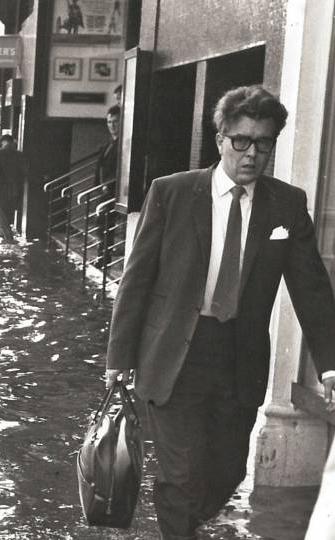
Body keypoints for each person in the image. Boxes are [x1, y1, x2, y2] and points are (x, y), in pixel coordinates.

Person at [105, 85, 335, 540]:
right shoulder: (171, 193)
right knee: (180, 475)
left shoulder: (286, 204)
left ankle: (181, 522)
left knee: (227, 471)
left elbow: (311, 289)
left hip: (238, 360)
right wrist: (118, 358)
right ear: (220, 139)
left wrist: (330, 366)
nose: (252, 154)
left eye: (264, 143)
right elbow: (137, 281)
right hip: (173, 356)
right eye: (242, 141)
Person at [95, 105, 121, 266]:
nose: (112, 125)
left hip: (114, 191)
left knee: (105, 224)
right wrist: (98, 185)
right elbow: (101, 168)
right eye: (109, 122)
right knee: (101, 224)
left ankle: (104, 258)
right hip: (105, 190)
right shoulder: (109, 144)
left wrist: (108, 185)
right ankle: (102, 256)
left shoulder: (121, 145)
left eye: (116, 122)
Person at [0, 133, 27, 240]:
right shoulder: (19, 155)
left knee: (1, 212)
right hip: (15, 189)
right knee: (8, 213)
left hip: (0, 189)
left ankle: (7, 236)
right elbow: (24, 172)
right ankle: (5, 233)